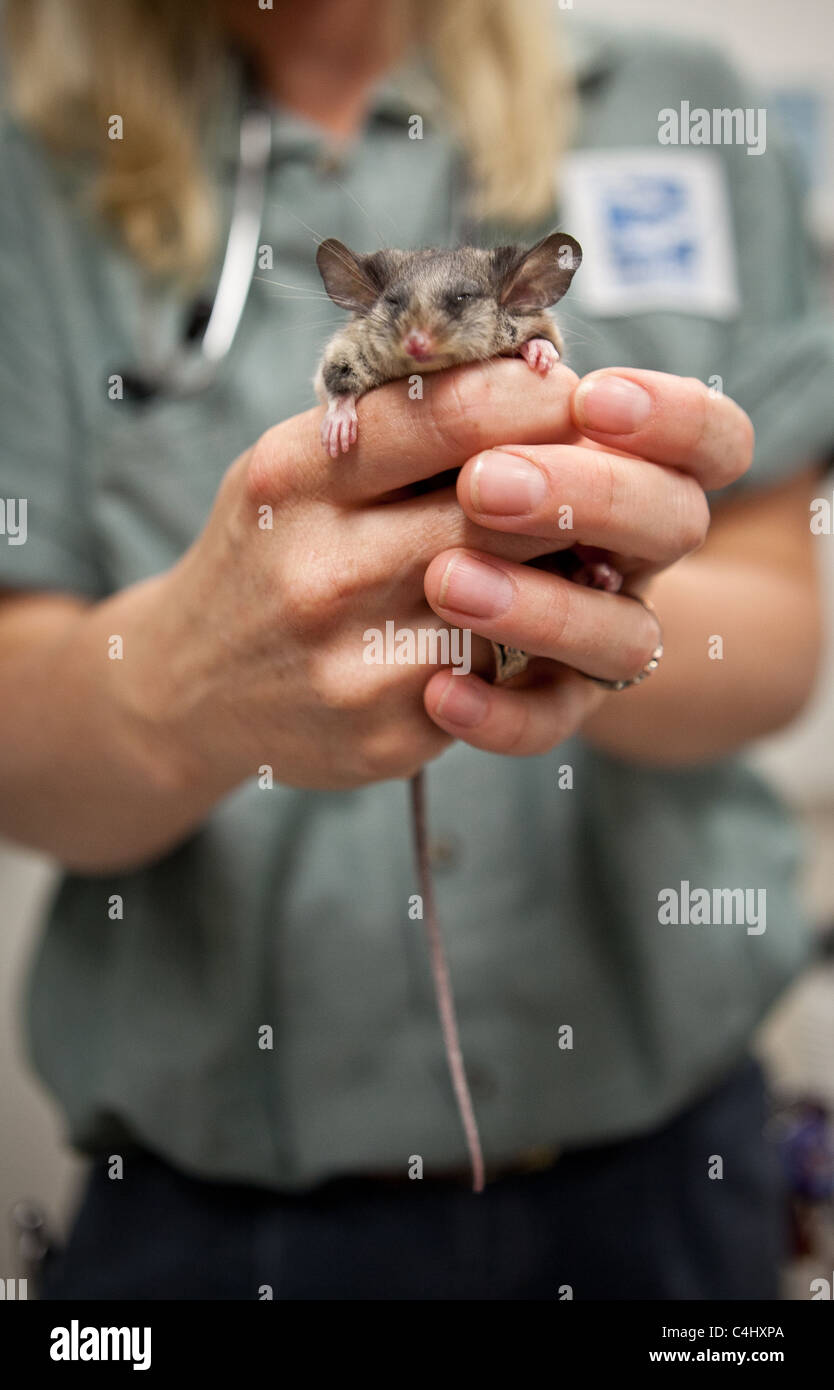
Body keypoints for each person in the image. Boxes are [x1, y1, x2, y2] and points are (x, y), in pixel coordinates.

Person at [0, 0, 832, 1300]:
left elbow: (781, 631)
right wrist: (189, 686)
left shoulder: (673, 100)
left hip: (662, 1181)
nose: (427, 346)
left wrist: (589, 618)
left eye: (462, 323)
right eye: (407, 326)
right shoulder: (37, 161)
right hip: (211, 1220)